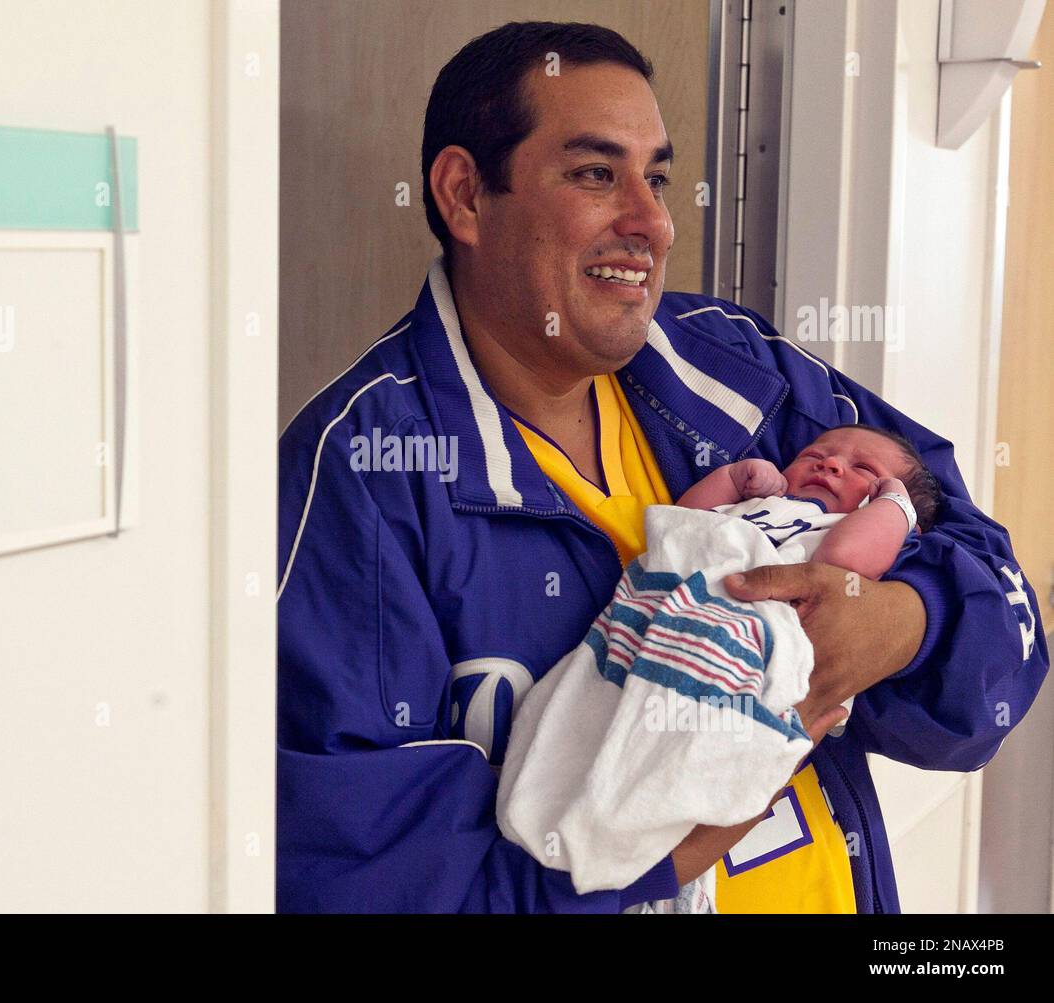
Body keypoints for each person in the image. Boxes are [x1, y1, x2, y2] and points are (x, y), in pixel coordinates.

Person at [276, 20, 1047, 913]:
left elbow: (998, 616)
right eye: (597, 173)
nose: (652, 223)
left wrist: (901, 625)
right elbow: (362, 883)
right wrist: (660, 857)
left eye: (659, 177)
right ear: (463, 195)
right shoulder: (363, 483)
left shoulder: (733, 373)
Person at [495, 426, 945, 912]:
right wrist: (731, 480)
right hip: (655, 631)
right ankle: (578, 817)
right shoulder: (759, 511)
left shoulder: (843, 532)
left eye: (864, 472)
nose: (830, 465)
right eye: (816, 453)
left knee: (683, 778)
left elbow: (844, 560)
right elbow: (682, 528)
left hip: (736, 656)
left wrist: (896, 509)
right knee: (588, 724)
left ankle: (638, 855)